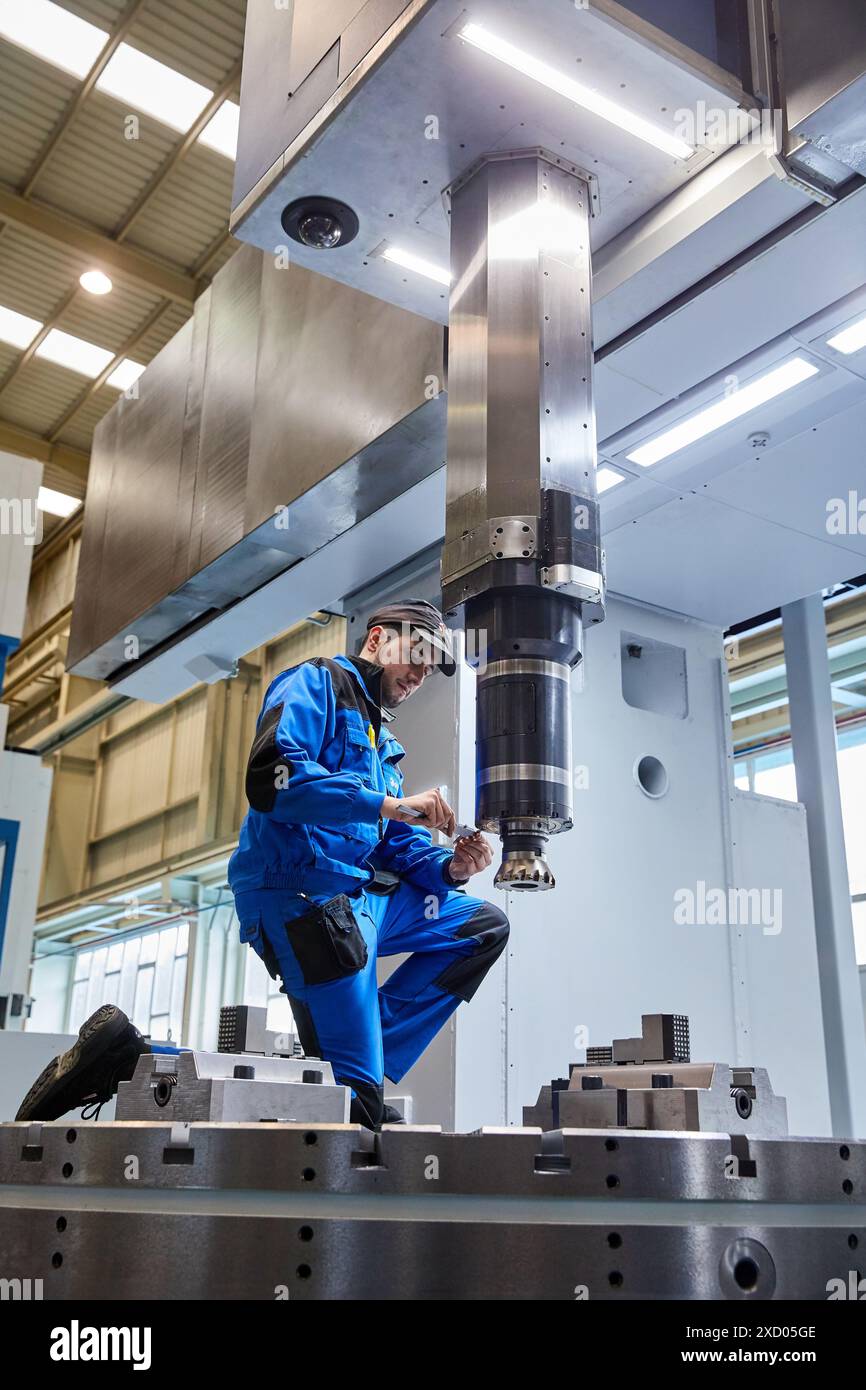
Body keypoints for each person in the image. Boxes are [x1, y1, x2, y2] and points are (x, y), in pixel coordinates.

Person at [17, 600, 509, 1132]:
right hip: (302, 898)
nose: (421, 674)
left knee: (483, 928)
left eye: (432, 667)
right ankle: (129, 1056)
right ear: (377, 638)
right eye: (419, 653)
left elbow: (389, 845)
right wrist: (383, 803)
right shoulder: (316, 684)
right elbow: (272, 776)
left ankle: (355, 1050)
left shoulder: (382, 743)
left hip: (363, 899)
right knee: (359, 1116)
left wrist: (453, 867)